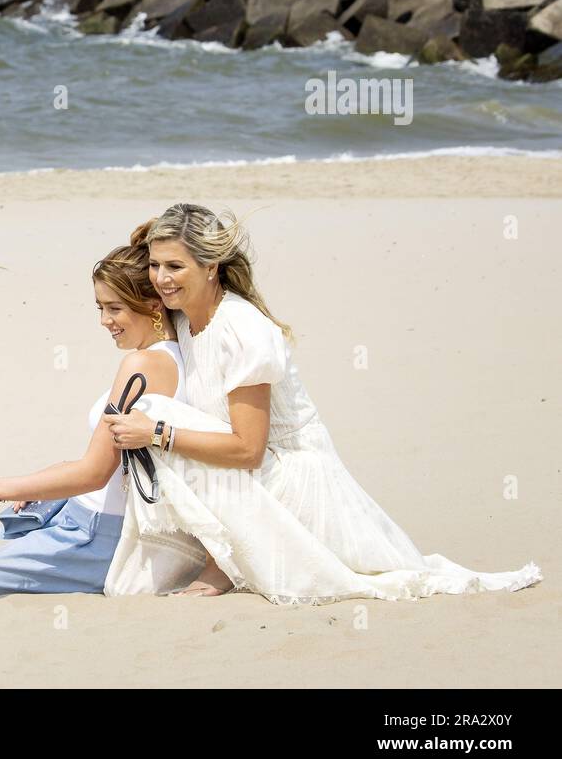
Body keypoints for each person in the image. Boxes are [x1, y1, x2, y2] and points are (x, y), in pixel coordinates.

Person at [103, 203, 542, 602]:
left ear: (212, 266)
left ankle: (219, 566)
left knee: (155, 415)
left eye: (176, 266)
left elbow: (247, 451)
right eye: (156, 265)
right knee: (131, 583)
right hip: (248, 473)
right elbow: (129, 289)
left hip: (290, 476)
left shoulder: (242, 330)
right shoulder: (183, 316)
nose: (161, 278)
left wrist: (156, 432)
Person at [0, 231, 207, 596]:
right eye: (100, 308)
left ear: (154, 305)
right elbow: (106, 459)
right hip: (77, 513)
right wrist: (40, 485)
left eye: (115, 308)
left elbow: (94, 473)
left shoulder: (142, 364)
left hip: (95, 537)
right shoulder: (177, 355)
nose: (105, 321)